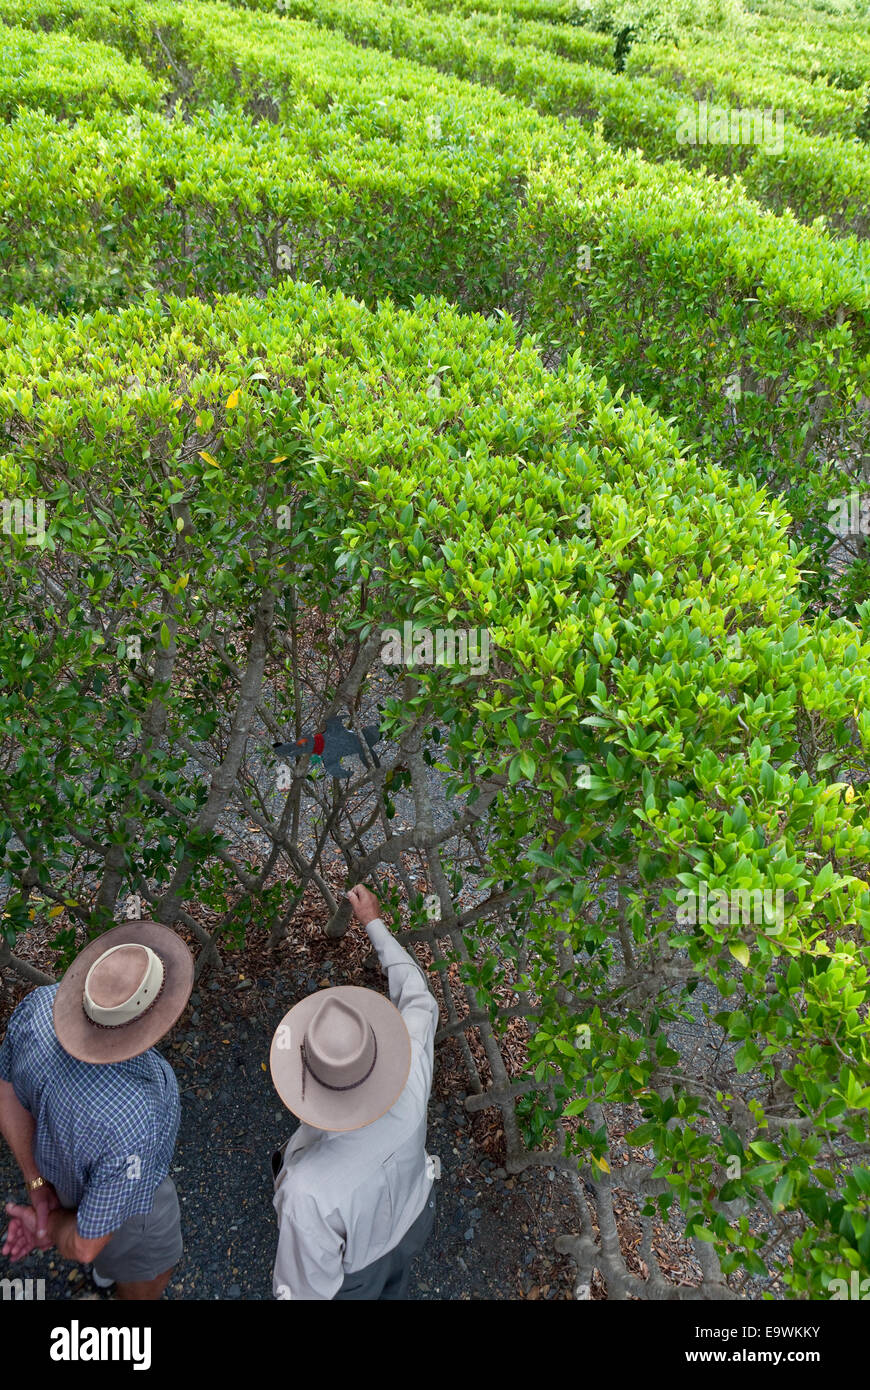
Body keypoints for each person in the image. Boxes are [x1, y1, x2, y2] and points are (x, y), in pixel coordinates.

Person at [0, 919, 193, 1300]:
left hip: (64, 1178)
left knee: (104, 1251)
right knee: (147, 1275)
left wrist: (36, 1182)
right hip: (131, 1209)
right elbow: (85, 1243)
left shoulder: (43, 1004)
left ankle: (106, 1272)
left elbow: (6, 1087)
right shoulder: (133, 1118)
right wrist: (51, 1226)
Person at [270, 883, 440, 1300]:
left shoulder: (306, 1193)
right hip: (415, 1213)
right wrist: (374, 923)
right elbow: (419, 998)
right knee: (396, 1284)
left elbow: (304, 1290)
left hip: (357, 1270)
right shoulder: (412, 1065)